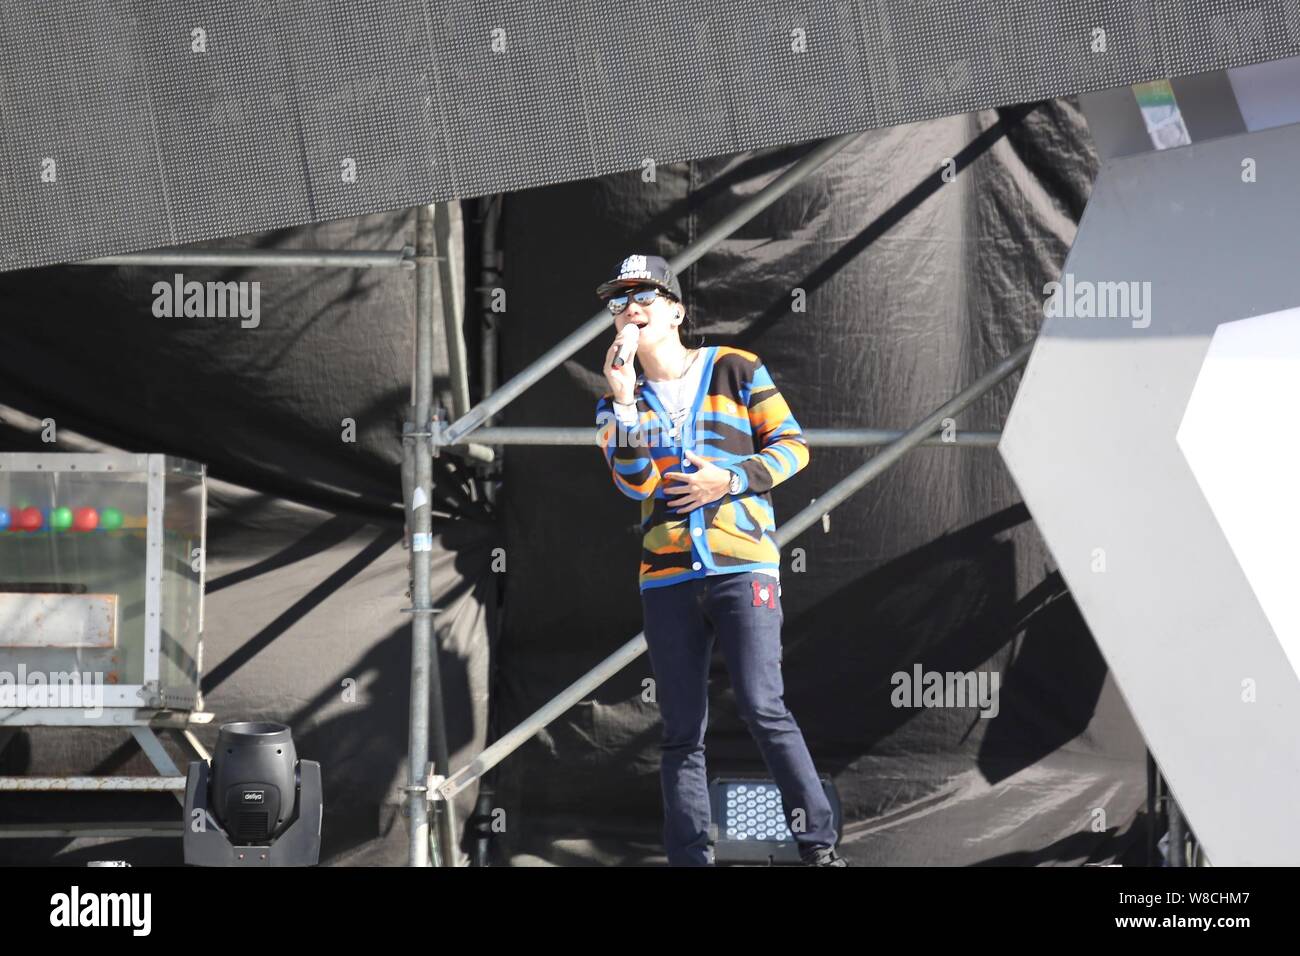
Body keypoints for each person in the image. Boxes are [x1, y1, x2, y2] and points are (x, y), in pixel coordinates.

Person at [594, 253, 846, 867]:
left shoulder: (736, 367)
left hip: (743, 567)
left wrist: (729, 481)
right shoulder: (616, 402)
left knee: (764, 705)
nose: (630, 310)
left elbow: (793, 447)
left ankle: (819, 849)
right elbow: (633, 484)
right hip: (667, 578)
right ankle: (690, 858)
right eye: (620, 302)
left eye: (645, 297)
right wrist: (624, 402)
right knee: (681, 729)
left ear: (677, 312)